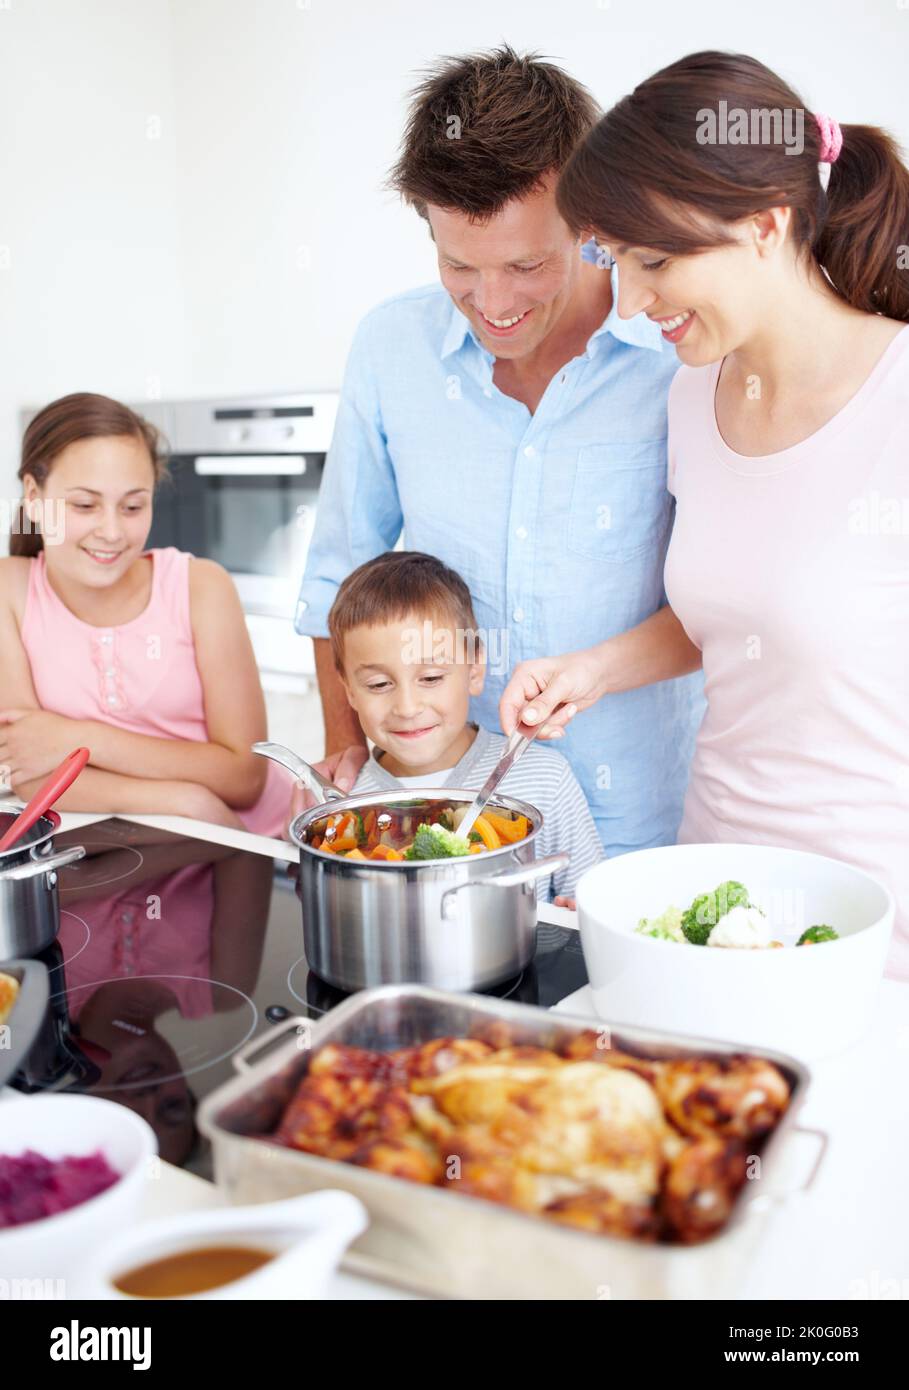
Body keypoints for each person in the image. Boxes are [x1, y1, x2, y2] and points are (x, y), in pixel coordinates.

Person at [498, 51, 909, 975]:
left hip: (868, 929)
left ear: (763, 226)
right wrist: (593, 669)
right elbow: (733, 614)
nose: (632, 303)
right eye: (614, 261)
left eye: (652, 262)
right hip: (709, 896)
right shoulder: (693, 397)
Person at [294, 45, 703, 860]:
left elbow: (719, 605)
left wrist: (593, 670)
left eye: (526, 264)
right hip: (454, 834)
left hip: (644, 827)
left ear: (593, 224)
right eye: (458, 266)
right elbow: (341, 572)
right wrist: (350, 752)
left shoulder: (676, 355)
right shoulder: (389, 347)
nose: (494, 303)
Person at [0, 392, 294, 834]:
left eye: (133, 506)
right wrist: (184, 799)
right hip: (133, 846)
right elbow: (28, 771)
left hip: (250, 847)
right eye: (84, 505)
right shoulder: (10, 590)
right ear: (34, 496)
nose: (113, 531)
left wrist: (83, 741)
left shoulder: (201, 587)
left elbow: (246, 779)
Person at [326, 551, 603, 904]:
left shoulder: (546, 779)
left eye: (430, 677)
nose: (408, 708)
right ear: (349, 689)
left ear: (474, 669)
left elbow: (592, 902)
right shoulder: (347, 804)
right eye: (379, 684)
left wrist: (577, 917)